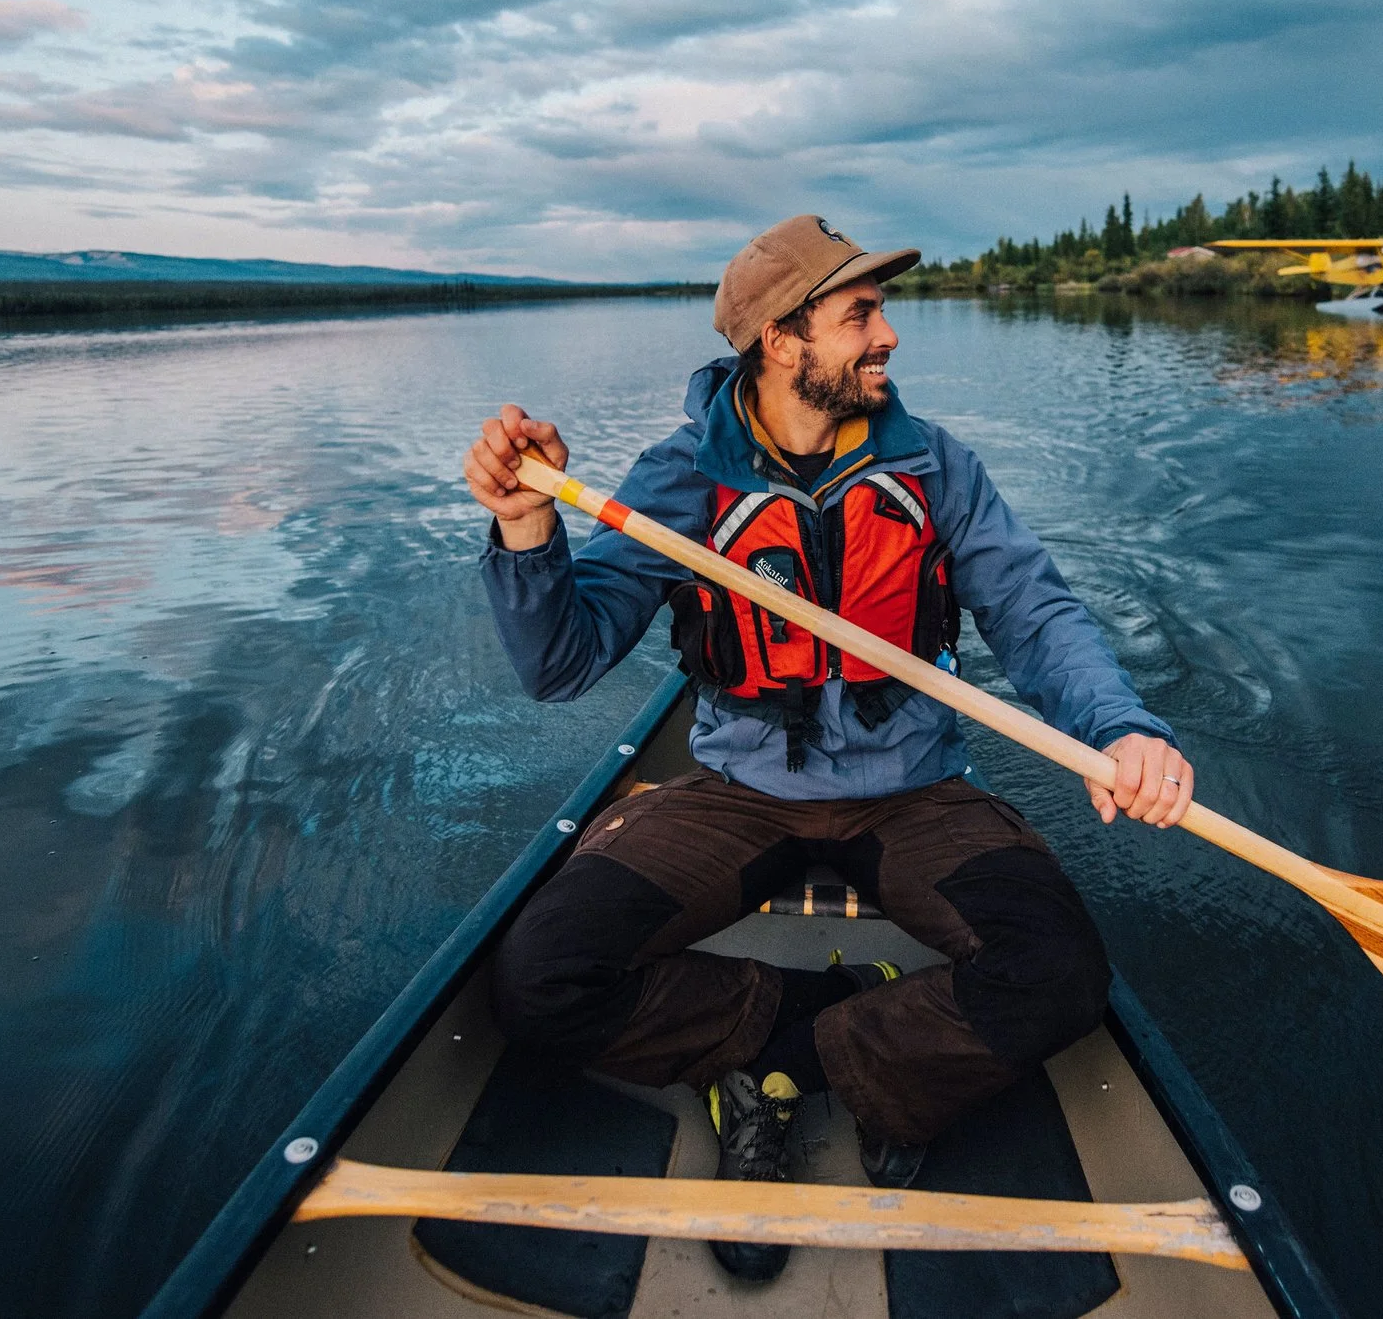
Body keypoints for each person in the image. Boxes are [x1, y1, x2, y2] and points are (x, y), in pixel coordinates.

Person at [463, 213, 1195, 1285]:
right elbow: (560, 662)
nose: (887, 335)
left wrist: (1121, 727)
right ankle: (862, 1032)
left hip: (913, 792)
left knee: (1060, 971)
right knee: (537, 979)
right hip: (738, 790)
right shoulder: (682, 480)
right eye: (860, 314)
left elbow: (1036, 616)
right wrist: (529, 526)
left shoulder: (932, 466)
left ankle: (771, 1067)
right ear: (779, 338)